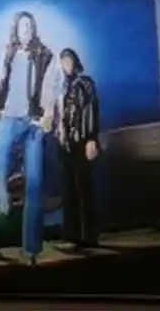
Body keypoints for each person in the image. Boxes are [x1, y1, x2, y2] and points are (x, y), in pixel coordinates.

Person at [0, 11, 56, 265]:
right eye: (22, 26)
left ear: (34, 29)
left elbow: (52, 86)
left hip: (33, 123)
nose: (26, 30)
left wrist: (49, 113)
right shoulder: (7, 53)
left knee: (35, 183)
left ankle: (31, 250)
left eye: (30, 26)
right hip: (9, 119)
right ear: (16, 29)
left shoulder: (46, 55)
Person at [56, 48, 100, 249]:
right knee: (68, 188)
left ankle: (89, 235)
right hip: (65, 144)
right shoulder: (61, 88)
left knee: (84, 188)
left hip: (81, 141)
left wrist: (91, 138)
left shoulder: (85, 83)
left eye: (69, 60)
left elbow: (91, 110)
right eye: (63, 61)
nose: (66, 64)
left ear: (75, 62)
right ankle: (71, 234)